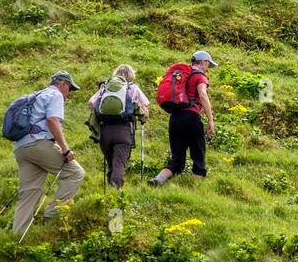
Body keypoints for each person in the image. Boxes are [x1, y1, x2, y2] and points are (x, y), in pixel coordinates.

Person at [12, 71, 85, 236]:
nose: (69, 93)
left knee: (29, 192)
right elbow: (52, 120)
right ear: (62, 84)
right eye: (70, 89)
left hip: (21, 148)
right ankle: (52, 216)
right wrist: (65, 149)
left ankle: (17, 236)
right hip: (39, 143)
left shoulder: (37, 95)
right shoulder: (55, 94)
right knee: (75, 173)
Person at [149, 50, 216, 186]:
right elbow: (202, 95)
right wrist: (210, 120)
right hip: (191, 117)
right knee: (198, 156)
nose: (208, 68)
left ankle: (158, 180)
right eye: (208, 64)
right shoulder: (200, 77)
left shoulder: (182, 76)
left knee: (177, 160)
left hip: (175, 118)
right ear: (203, 62)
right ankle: (194, 190)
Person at [87, 63, 150, 190]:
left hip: (104, 132)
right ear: (131, 75)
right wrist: (141, 116)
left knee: (111, 164)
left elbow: (91, 104)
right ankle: (115, 196)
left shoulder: (106, 87)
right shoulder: (133, 88)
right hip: (124, 131)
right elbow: (145, 110)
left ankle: (109, 196)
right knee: (119, 165)